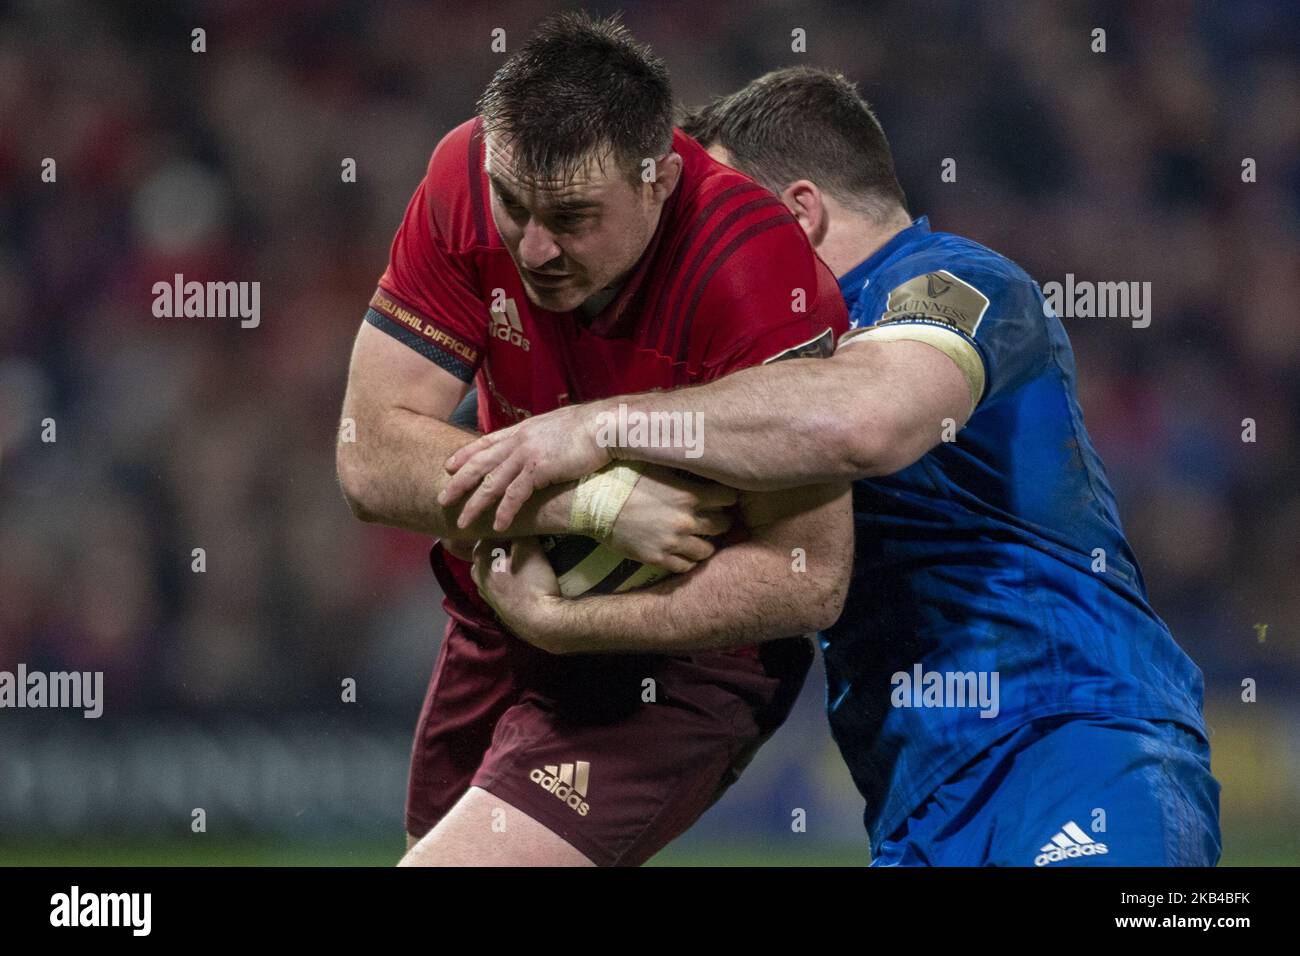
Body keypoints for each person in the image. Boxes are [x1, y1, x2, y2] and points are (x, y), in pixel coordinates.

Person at [442, 67, 1222, 867]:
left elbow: (863, 422)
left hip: (1075, 746)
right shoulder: (745, 376)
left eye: (712, 220)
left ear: (794, 214)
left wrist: (600, 426)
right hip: (916, 812)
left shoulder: (955, 282)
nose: (690, 257)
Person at [336, 20, 852, 867]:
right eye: (515, 206)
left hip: (682, 662)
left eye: (573, 217)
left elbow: (809, 576)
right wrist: (592, 504)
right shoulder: (462, 178)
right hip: (501, 610)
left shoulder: (757, 273)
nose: (534, 248)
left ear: (660, 183)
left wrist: (573, 622)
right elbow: (369, 456)